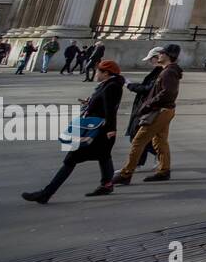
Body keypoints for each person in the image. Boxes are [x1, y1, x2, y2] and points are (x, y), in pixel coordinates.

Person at [22, 59, 127, 203]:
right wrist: (89, 103)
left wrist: (111, 129)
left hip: (98, 131)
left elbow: (110, 109)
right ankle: (107, 184)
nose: (96, 73)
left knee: (71, 159)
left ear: (106, 73)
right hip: (100, 129)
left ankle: (46, 193)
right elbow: (102, 104)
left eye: (98, 71)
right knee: (104, 156)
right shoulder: (107, 85)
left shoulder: (112, 86)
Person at [113, 44, 183, 185]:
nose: (159, 56)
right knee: (159, 141)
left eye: (162, 53)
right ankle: (164, 170)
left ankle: (126, 173)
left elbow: (168, 92)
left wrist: (149, 104)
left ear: (168, 56)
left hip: (160, 111)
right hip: (165, 110)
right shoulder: (167, 71)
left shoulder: (168, 72)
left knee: (138, 141)